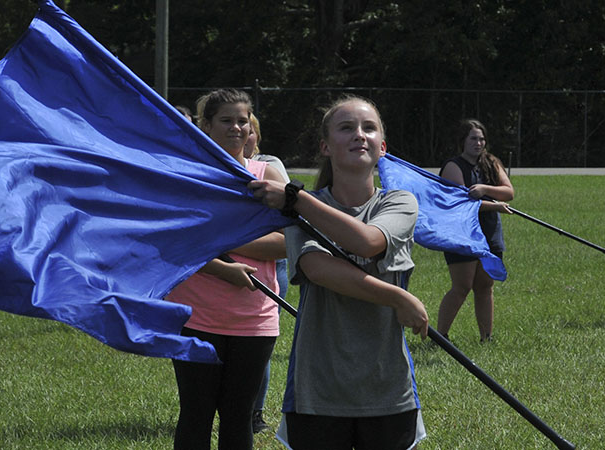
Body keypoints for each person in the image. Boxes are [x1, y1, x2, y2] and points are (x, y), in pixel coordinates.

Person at [248, 95, 428, 450]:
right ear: (325, 146)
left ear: (382, 147)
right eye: (346, 128)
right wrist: (398, 296)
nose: (359, 135)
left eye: (368, 128)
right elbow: (319, 269)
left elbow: (367, 241)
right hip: (318, 390)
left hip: (387, 387)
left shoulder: (399, 203)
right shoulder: (302, 209)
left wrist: (295, 199)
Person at [166, 89, 286, 450]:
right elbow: (177, 242)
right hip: (195, 315)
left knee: (239, 415)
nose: (237, 128)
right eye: (226, 120)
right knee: (196, 413)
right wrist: (223, 269)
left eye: (243, 121)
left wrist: (224, 240)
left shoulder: (268, 175)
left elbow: (288, 241)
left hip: (255, 316)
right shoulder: (188, 179)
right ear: (205, 125)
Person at [437, 119, 514, 343]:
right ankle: (441, 336)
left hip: (490, 232)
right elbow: (460, 203)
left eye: (481, 139)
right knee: (462, 286)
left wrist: (484, 189)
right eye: (473, 138)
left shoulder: (491, 163)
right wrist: (494, 205)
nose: (478, 143)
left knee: (485, 286)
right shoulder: (453, 167)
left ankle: (486, 338)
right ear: (462, 141)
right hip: (462, 233)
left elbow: (508, 192)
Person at [243, 113, 290, 434]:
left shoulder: (268, 164)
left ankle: (255, 412)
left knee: (259, 343)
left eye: (247, 129)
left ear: (256, 136)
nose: (241, 134)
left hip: (271, 266)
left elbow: (288, 213)